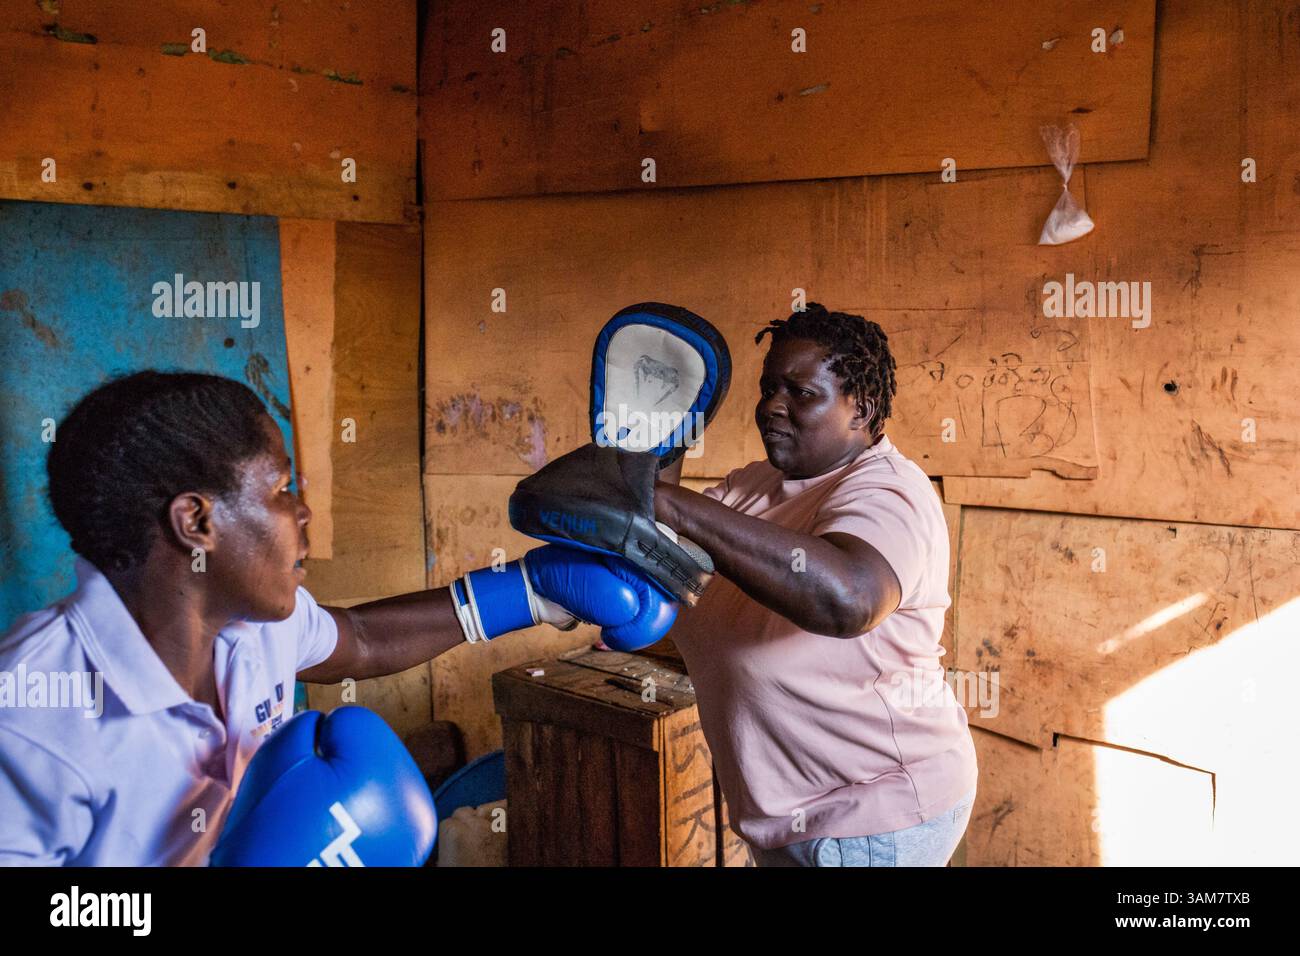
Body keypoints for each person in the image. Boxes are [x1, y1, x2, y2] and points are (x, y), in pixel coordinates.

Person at [0, 370, 671, 865]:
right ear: (196, 522)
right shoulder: (30, 713)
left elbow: (359, 640)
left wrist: (529, 592)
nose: (302, 513)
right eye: (280, 488)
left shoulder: (250, 625)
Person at [653, 303, 978, 867]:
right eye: (768, 388)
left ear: (863, 409)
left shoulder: (888, 492)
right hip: (789, 819)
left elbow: (847, 598)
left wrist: (673, 504)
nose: (772, 407)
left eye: (801, 392)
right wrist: (659, 448)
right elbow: (659, 553)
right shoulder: (754, 486)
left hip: (873, 814)